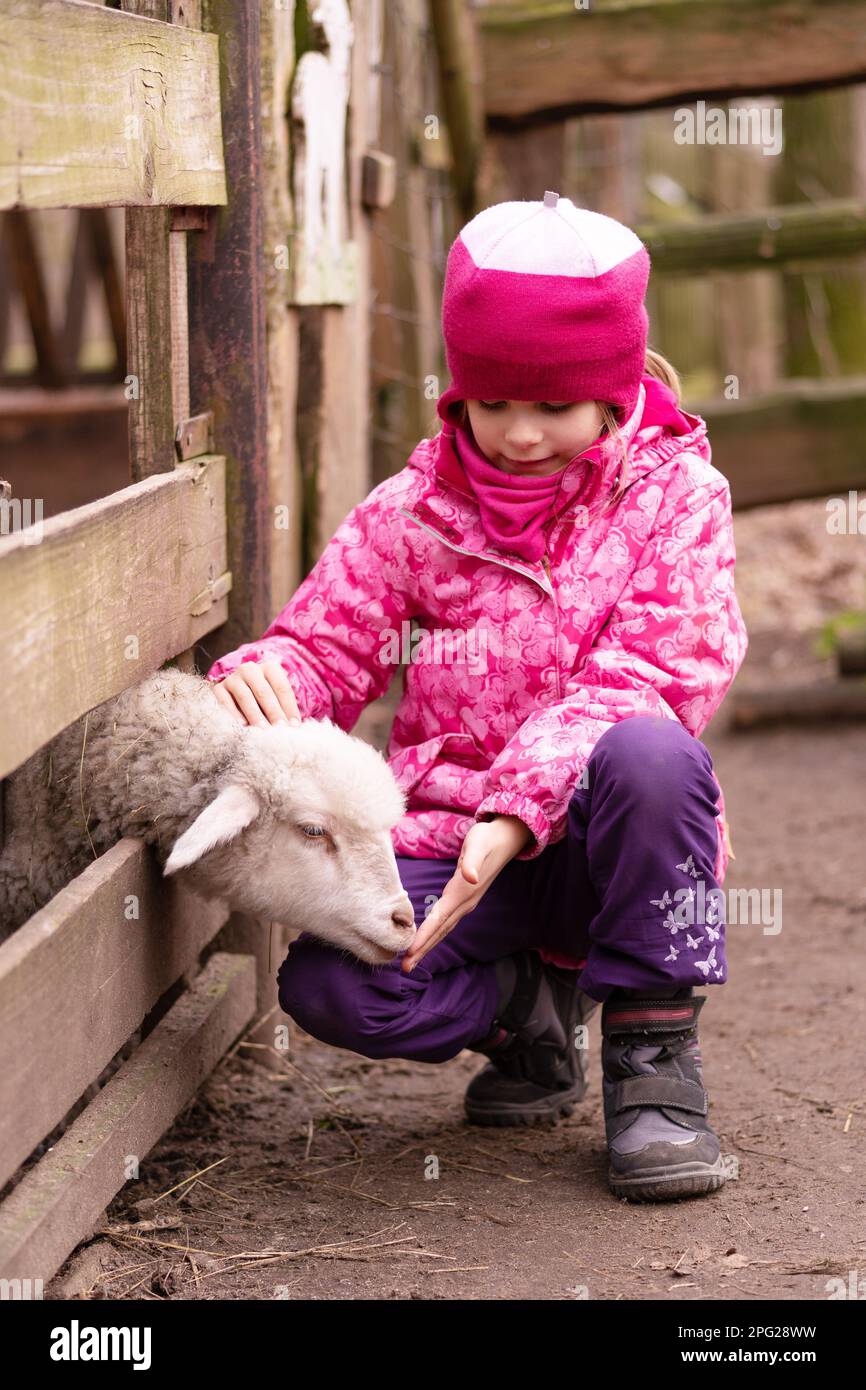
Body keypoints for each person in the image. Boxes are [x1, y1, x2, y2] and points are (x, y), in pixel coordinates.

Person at [205, 191, 749, 1203]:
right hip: (455, 849)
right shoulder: (415, 509)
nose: (519, 434)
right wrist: (265, 679)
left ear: (613, 388)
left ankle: (651, 1061)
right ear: (459, 391)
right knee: (329, 982)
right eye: (493, 402)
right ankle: (527, 1019)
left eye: (552, 406)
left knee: (650, 753)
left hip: (600, 842)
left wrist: (519, 808)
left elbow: (659, 671)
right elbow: (327, 648)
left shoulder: (675, 498)